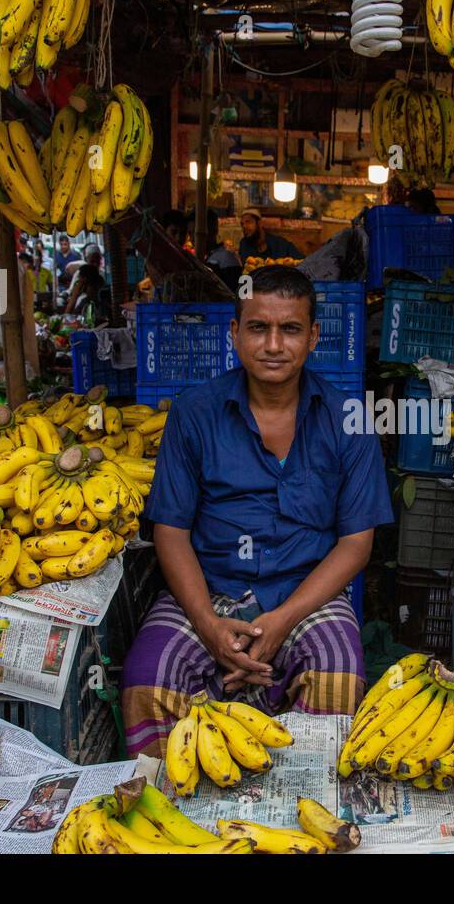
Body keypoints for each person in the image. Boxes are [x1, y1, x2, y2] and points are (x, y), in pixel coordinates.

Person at [122, 266, 390, 756]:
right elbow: (171, 532)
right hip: (211, 589)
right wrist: (208, 623)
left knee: (336, 673)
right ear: (234, 333)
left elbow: (356, 544)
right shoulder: (194, 413)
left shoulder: (348, 418)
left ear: (312, 337)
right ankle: (165, 814)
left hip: (306, 594)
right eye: (257, 328)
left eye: (289, 330)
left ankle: (309, 809)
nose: (273, 344)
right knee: (148, 680)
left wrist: (284, 617)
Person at [66, 244, 105, 324]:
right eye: (92, 261)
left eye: (97, 261)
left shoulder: (88, 303)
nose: (95, 264)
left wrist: (75, 295)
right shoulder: (84, 299)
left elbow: (67, 318)